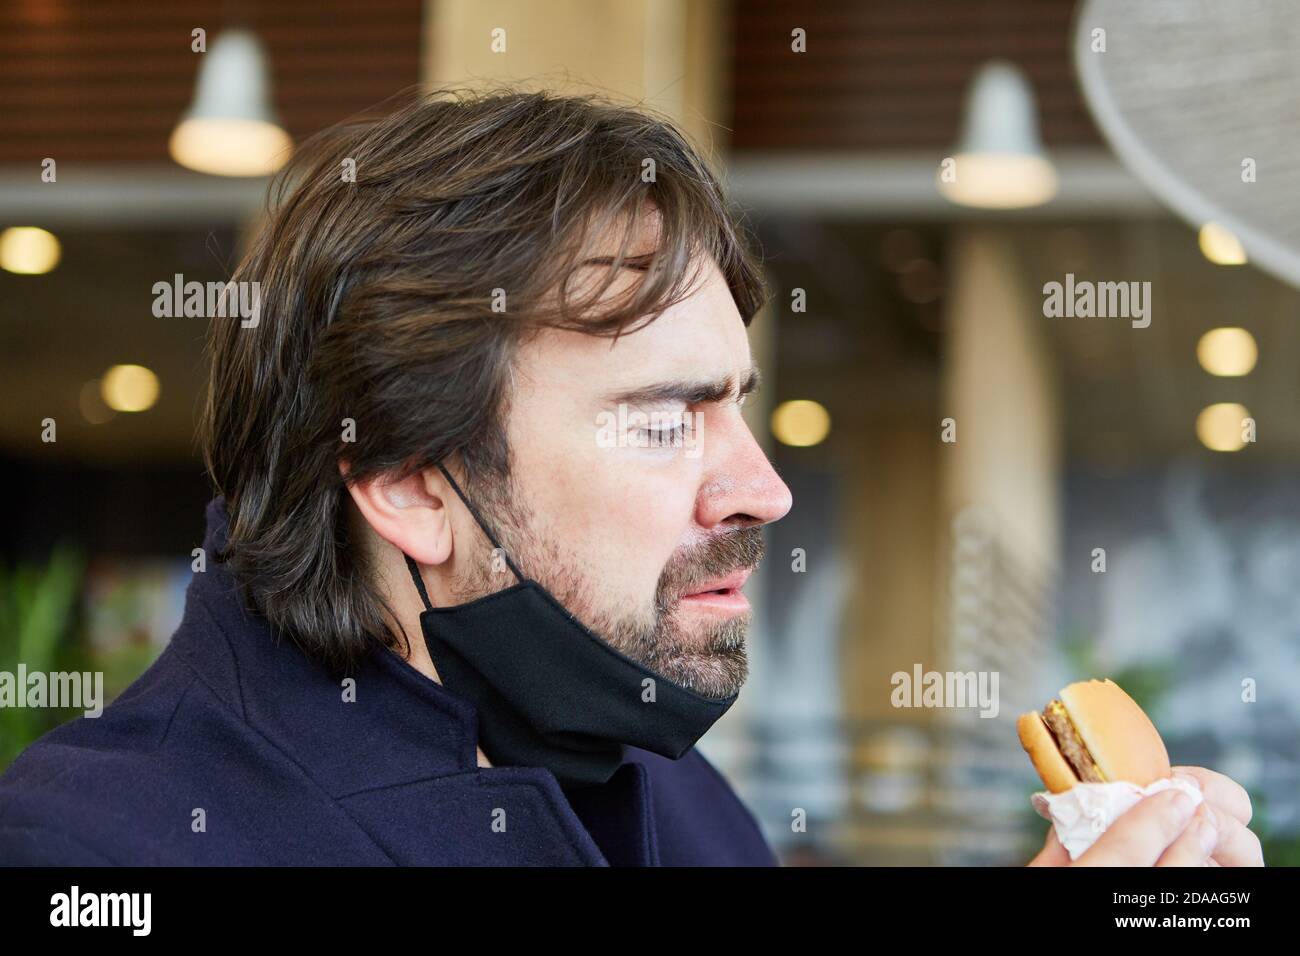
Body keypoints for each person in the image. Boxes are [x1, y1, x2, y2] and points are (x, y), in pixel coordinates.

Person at [0, 88, 1262, 867]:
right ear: (406, 484)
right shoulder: (98, 849)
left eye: (739, 408)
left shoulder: (674, 792)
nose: (763, 490)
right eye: (667, 417)